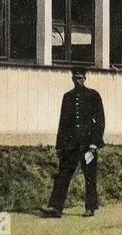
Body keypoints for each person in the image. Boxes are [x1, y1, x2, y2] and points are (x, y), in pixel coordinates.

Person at [42, 68, 105, 217]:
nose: (78, 80)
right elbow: (62, 123)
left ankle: (90, 208)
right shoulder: (67, 97)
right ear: (72, 78)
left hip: (88, 144)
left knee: (89, 176)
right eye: (75, 78)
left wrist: (95, 142)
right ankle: (56, 208)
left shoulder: (93, 96)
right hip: (71, 144)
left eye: (80, 77)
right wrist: (59, 145)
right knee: (63, 175)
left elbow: (100, 120)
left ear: (85, 78)